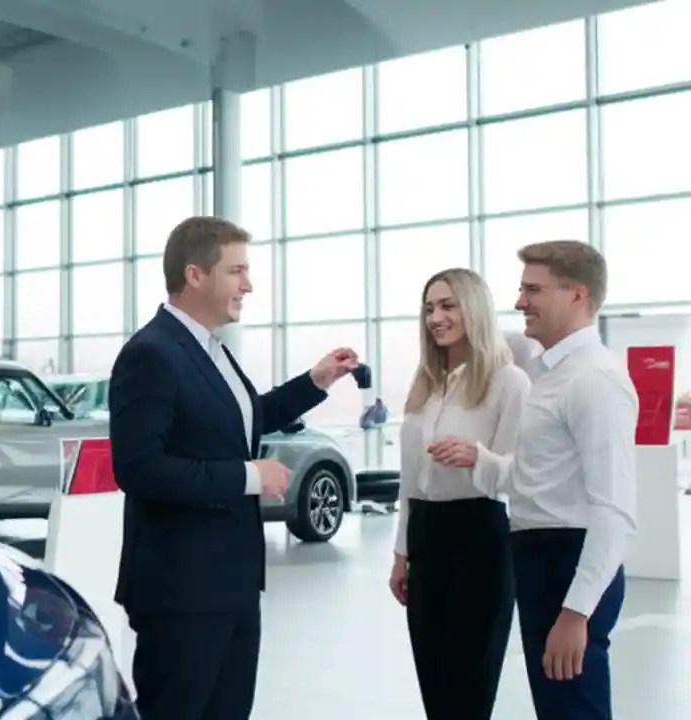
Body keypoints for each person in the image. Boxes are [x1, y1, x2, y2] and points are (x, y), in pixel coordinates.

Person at [108, 216, 359, 720]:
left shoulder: (210, 349)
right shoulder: (151, 354)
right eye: (236, 271)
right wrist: (250, 477)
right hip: (182, 591)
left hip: (232, 583)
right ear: (195, 275)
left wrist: (316, 381)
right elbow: (138, 468)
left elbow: (240, 421)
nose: (248, 285)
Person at [431, 240, 637, 719]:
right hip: (537, 554)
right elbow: (538, 478)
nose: (520, 301)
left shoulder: (593, 380)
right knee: (556, 706)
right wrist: (480, 459)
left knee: (573, 709)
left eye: (533, 290)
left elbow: (615, 508)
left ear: (577, 295)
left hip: (568, 560)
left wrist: (576, 611)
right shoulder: (551, 373)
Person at [388, 268, 531, 719]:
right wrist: (401, 553)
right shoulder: (426, 386)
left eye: (448, 305)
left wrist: (477, 457)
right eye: (430, 308)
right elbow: (409, 480)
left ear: (475, 309)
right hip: (426, 536)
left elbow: (522, 476)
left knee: (467, 685)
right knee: (433, 683)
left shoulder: (509, 382)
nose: (436, 317)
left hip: (479, 537)